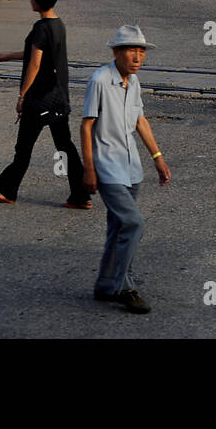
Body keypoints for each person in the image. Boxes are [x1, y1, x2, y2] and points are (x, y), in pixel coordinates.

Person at [81, 25, 170, 314]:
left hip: (130, 168)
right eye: (131, 50)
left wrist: (157, 157)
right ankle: (125, 286)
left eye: (141, 51)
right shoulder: (99, 80)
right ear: (116, 52)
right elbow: (86, 125)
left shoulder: (134, 82)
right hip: (106, 167)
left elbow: (140, 120)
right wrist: (89, 169)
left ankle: (106, 285)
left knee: (118, 227)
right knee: (134, 223)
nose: (137, 56)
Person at [0, 0, 91, 210]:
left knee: (23, 149)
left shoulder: (41, 28)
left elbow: (34, 64)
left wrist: (22, 96)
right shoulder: (58, 25)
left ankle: (6, 190)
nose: (30, 1)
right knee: (65, 147)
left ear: (36, 0)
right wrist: (6, 56)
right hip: (58, 99)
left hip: (39, 100)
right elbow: (37, 55)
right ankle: (81, 196)